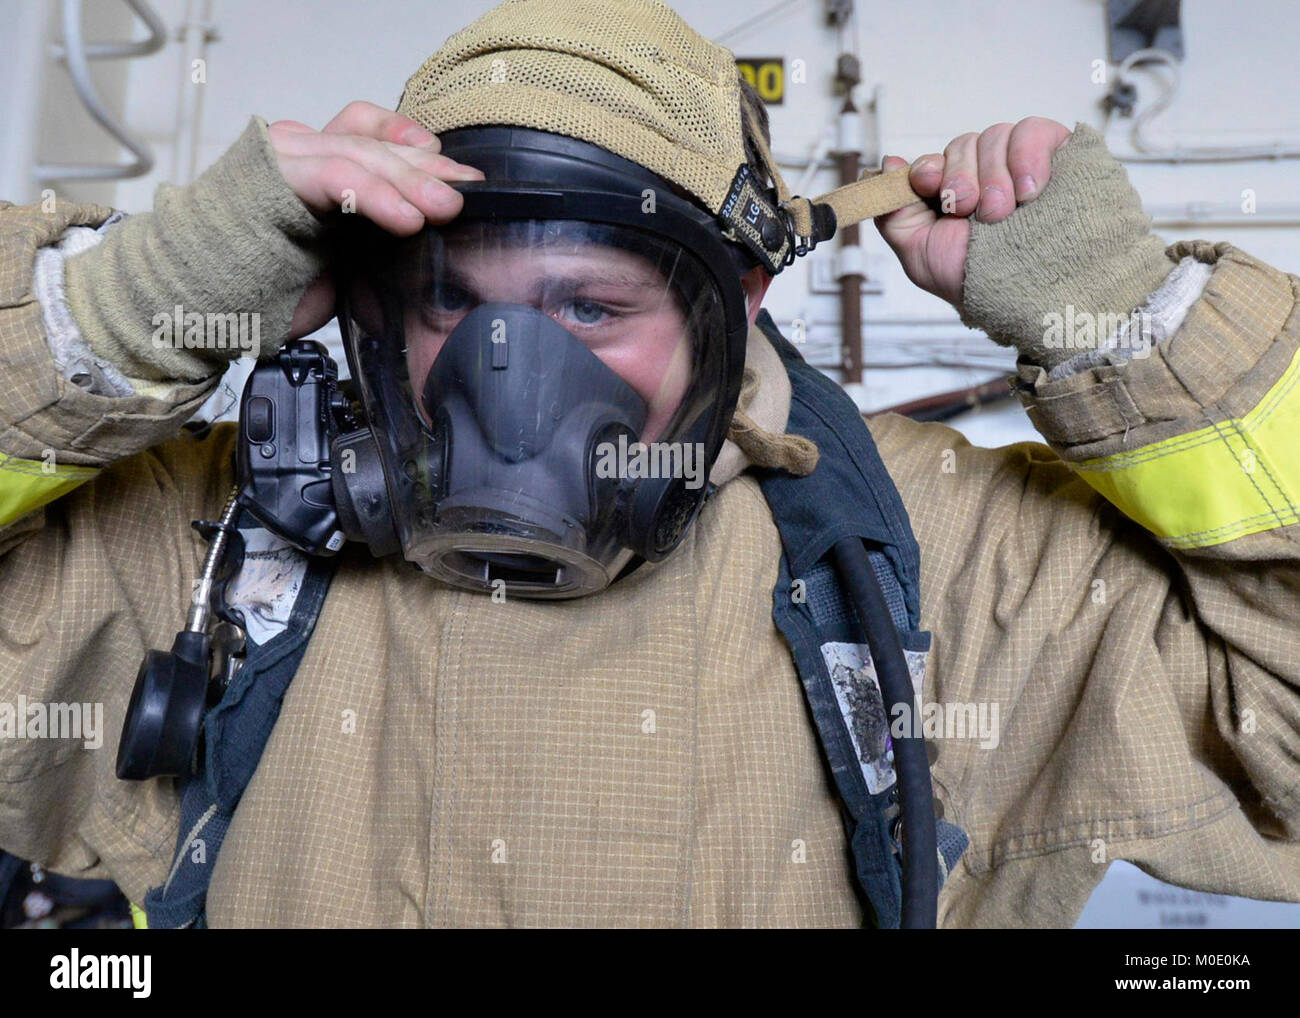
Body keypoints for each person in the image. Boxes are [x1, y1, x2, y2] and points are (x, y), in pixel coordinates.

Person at [1, 0, 1297, 928]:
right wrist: (114, 311)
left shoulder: (932, 545)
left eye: (591, 309)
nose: (511, 376)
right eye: (457, 305)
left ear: (733, 297)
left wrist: (1131, 328)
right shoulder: (218, 533)